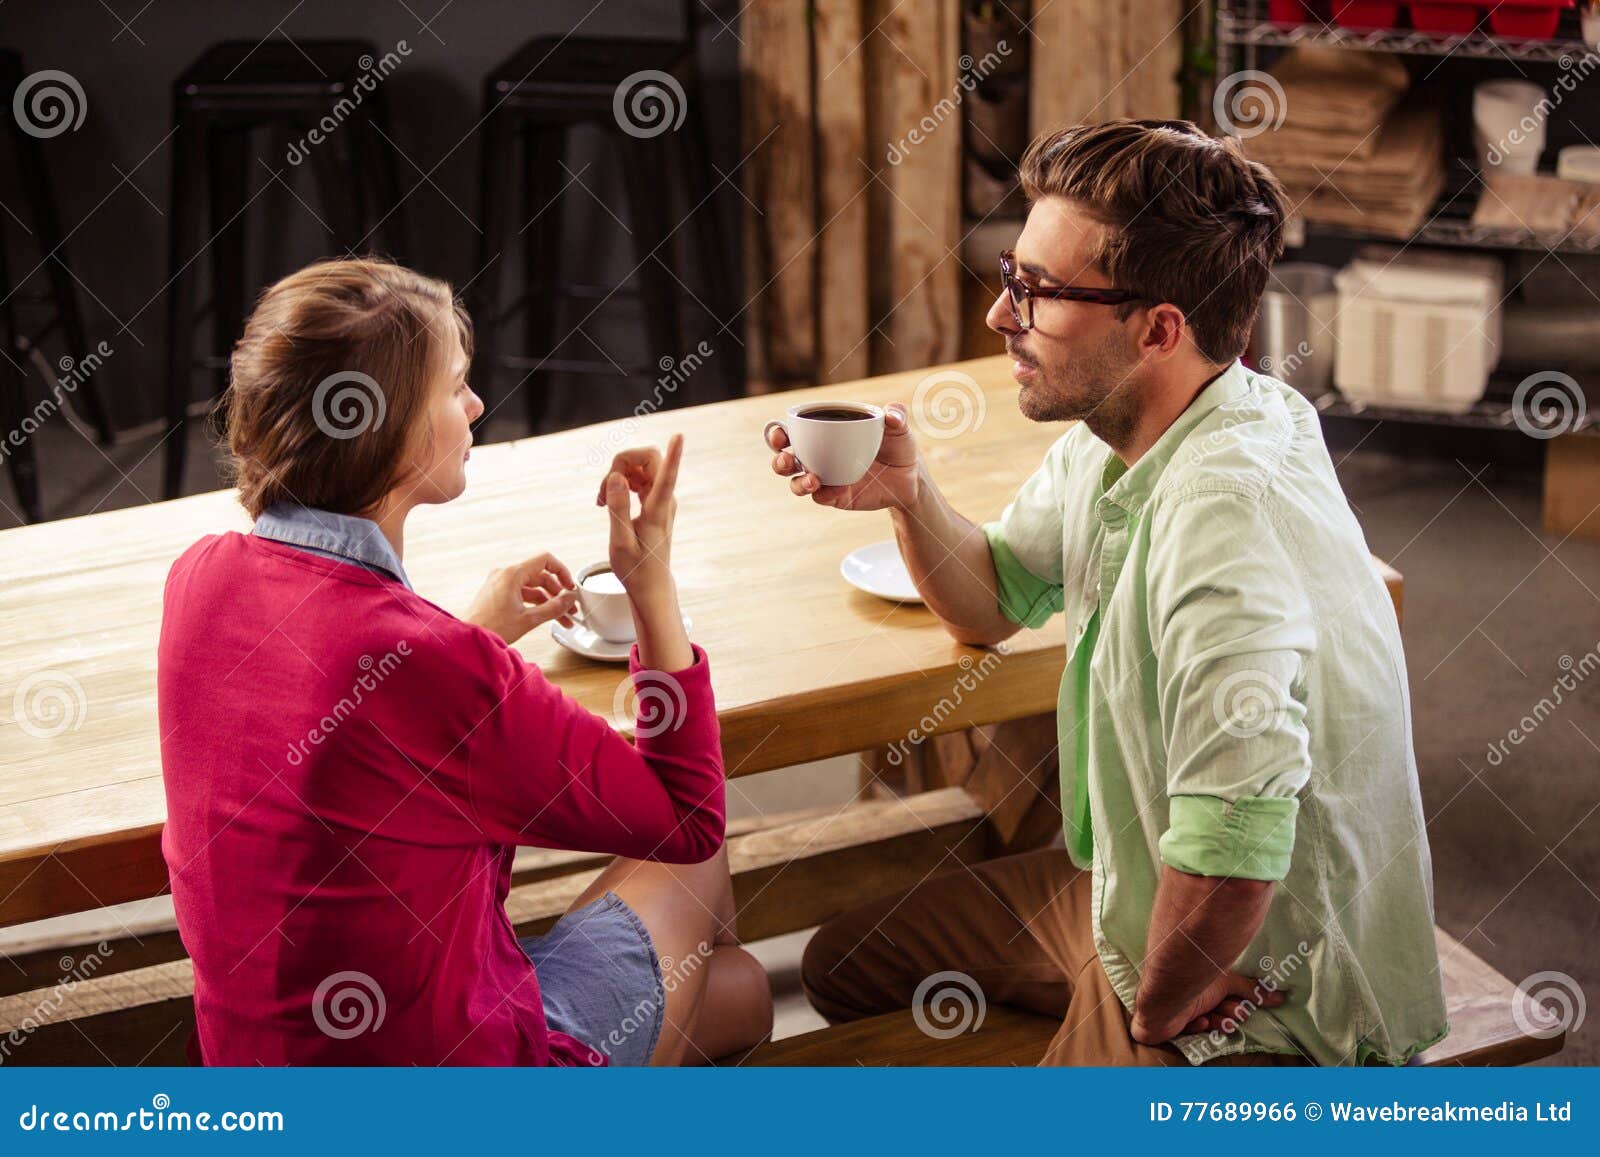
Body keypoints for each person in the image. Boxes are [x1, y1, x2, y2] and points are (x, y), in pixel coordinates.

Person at [770, 119, 1448, 1066]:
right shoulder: (1136, 426)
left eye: (1037, 293)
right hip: (1125, 892)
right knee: (846, 965)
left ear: (1158, 328)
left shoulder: (1222, 522)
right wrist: (908, 495)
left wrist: (1159, 1009)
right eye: (1015, 275)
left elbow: (1234, 848)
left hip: (1262, 992)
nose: (1002, 316)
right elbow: (995, 597)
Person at [159, 257, 771, 1066]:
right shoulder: (436, 663)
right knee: (702, 869)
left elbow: (338, 694)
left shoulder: (198, 577)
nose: (477, 405)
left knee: (741, 990)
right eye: (454, 387)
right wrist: (649, 581)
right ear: (391, 428)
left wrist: (468, 628)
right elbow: (687, 816)